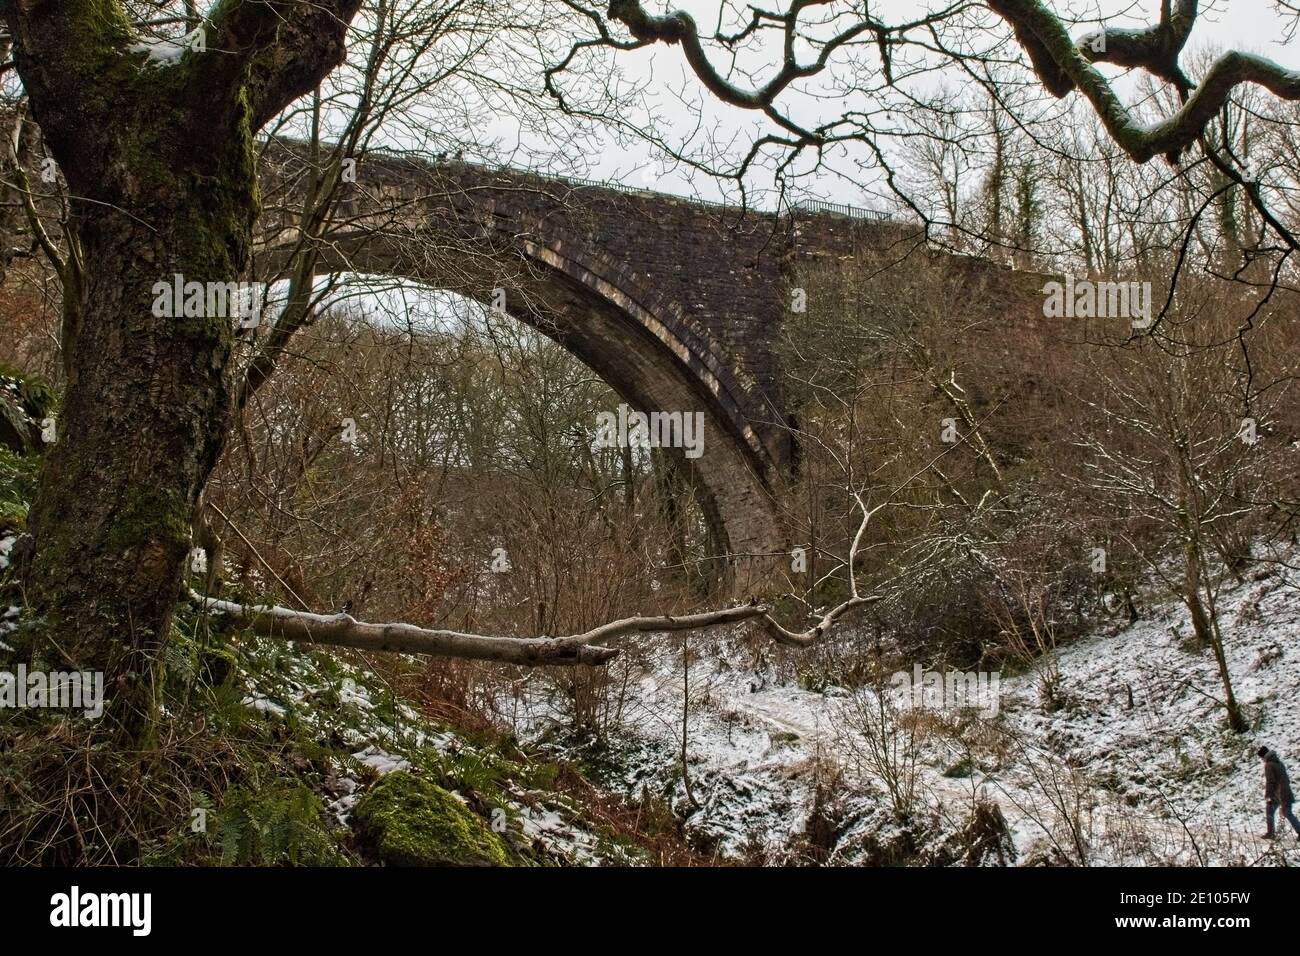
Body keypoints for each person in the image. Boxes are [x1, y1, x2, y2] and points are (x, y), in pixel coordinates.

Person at [1259, 745, 1300, 840]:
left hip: (1278, 792)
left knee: (1271, 811)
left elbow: (1270, 781)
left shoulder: (1269, 765)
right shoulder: (1279, 762)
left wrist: (1269, 795)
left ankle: (1271, 833)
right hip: (1286, 790)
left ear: (1264, 756)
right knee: (1287, 812)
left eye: (1261, 758)